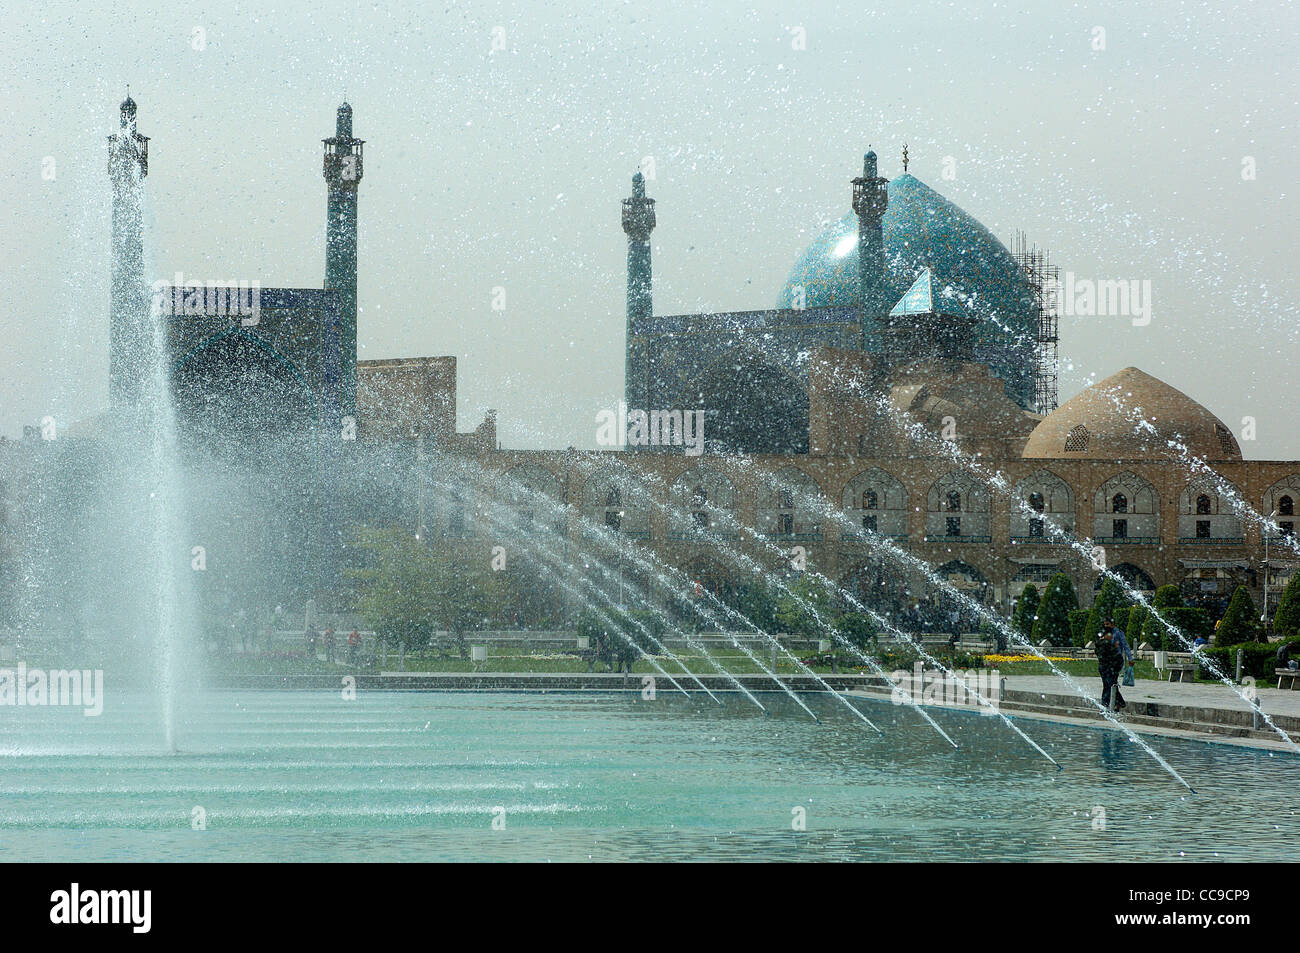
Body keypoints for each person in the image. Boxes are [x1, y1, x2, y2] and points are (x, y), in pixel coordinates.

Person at [1095, 618, 1132, 711]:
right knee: (1109, 684)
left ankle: (1107, 704)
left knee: (1110, 684)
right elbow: (1100, 649)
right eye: (1105, 624)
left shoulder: (1118, 633)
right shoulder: (1103, 636)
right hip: (1106, 663)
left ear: (1112, 624)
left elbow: (1125, 646)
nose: (1106, 626)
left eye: (1107, 624)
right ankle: (1117, 703)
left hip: (1114, 663)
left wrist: (1130, 658)